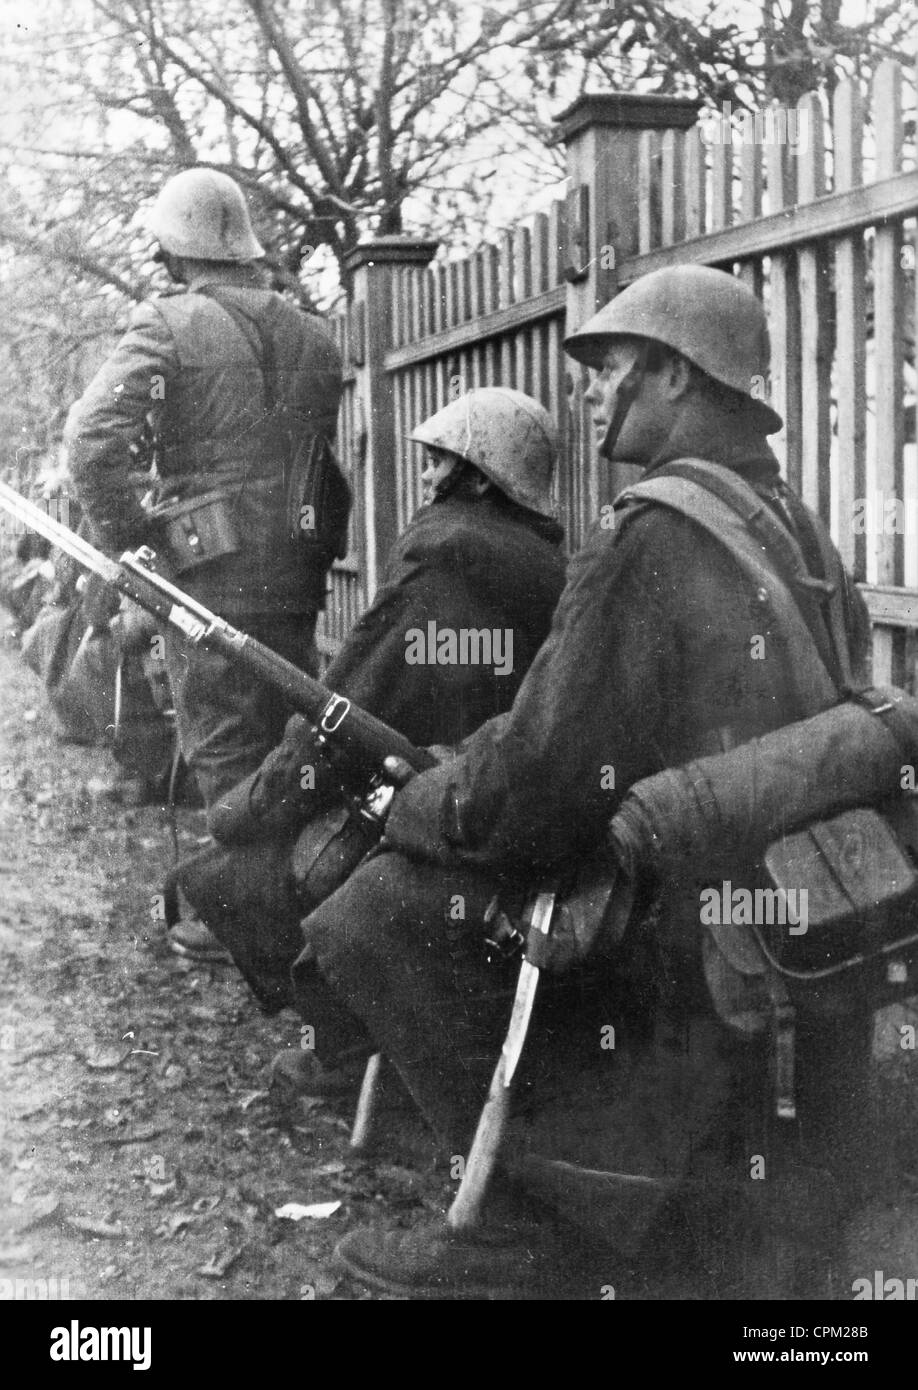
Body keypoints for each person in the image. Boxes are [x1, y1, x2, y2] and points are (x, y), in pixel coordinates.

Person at [295, 265, 872, 1299]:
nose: (593, 395)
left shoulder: (650, 534)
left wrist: (415, 801)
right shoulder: (793, 525)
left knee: (371, 910)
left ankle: (535, 1222)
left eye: (612, 371)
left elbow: (538, 794)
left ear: (680, 379)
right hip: (783, 908)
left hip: (674, 935)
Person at [172, 387, 566, 1089]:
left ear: (476, 477)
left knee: (232, 875)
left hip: (426, 817)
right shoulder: (543, 570)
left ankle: (344, 1047)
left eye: (437, 460)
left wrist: (242, 810)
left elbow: (339, 719)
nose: (422, 475)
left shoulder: (442, 569)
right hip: (499, 809)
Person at [65, 167, 345, 955]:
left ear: (172, 250)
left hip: (208, 574)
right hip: (296, 567)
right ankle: (302, 907)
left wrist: (133, 542)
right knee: (288, 737)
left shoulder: (166, 323)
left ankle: (251, 926)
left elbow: (90, 443)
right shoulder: (313, 335)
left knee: (223, 745)